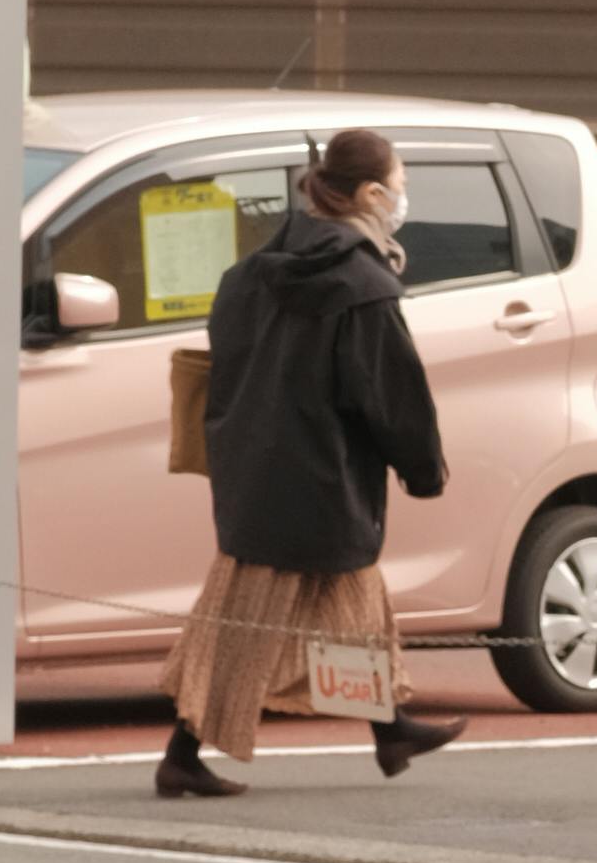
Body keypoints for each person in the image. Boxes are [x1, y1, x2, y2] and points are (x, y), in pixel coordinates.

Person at [160, 125, 463, 800]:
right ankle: (181, 752)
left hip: (258, 467)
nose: (403, 199)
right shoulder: (361, 285)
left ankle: (391, 732)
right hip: (318, 476)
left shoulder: (253, 272)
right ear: (372, 193)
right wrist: (424, 469)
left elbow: (230, 365)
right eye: (401, 186)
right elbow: (392, 392)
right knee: (246, 623)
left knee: (353, 599)